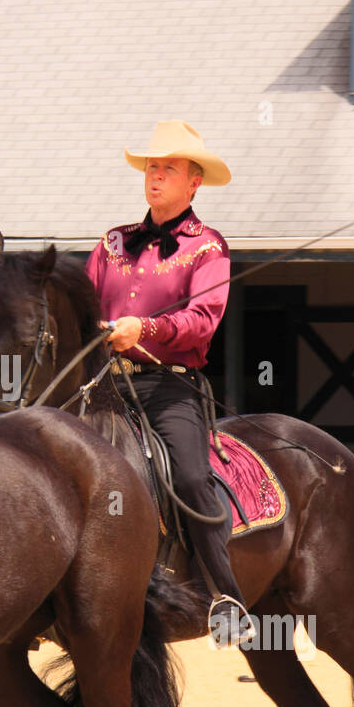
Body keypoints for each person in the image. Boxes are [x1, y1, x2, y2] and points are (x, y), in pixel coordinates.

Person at [85, 120, 256, 650]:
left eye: (168, 169)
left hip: (168, 388)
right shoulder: (112, 242)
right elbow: (84, 300)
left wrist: (148, 329)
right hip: (101, 386)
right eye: (151, 168)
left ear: (193, 183)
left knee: (187, 475)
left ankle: (226, 597)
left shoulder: (208, 249)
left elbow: (204, 319)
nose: (156, 177)